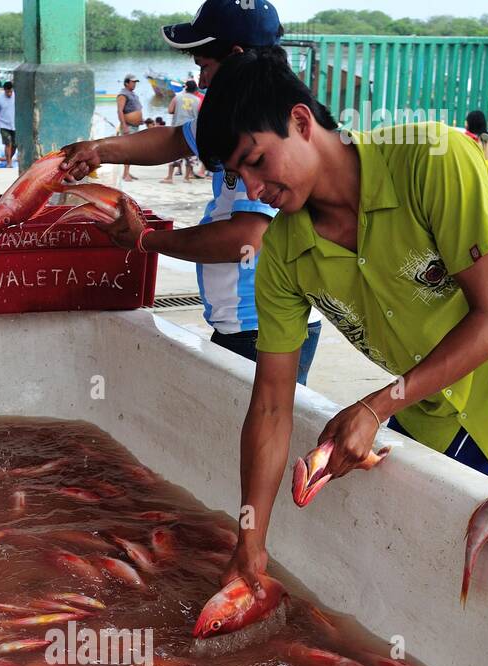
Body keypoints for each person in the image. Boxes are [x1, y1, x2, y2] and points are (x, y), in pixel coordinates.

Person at [194, 50, 488, 591]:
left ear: (301, 122)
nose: (253, 190)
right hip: (436, 431)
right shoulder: (281, 252)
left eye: (256, 161)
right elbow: (273, 404)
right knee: (442, 594)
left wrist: (376, 406)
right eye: (238, 177)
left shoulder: (431, 159)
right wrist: (251, 543)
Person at [61, 0, 321, 386]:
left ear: (235, 56)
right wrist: (98, 149)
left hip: (263, 323)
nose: (201, 82)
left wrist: (146, 240)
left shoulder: (259, 125)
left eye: (205, 67)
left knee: (256, 434)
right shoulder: (237, 112)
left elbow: (246, 237)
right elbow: (172, 140)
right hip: (248, 322)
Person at [164, 79, 201, 182]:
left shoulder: (178, 97)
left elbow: (170, 110)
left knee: (174, 152)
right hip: (191, 129)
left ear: (186, 87)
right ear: (195, 89)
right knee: (190, 152)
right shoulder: (198, 100)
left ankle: (170, 177)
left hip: (178, 128)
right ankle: (187, 177)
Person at [117, 75, 143, 182]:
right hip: (128, 126)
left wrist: (141, 119)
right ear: (127, 83)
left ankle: (127, 172)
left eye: (136, 82)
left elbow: (136, 109)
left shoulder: (134, 95)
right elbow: (120, 110)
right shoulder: (123, 94)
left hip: (135, 126)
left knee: (132, 150)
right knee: (128, 150)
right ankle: (125, 174)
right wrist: (124, 125)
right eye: (133, 82)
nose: (134, 84)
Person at [0, 80, 16, 168]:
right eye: (7, 92)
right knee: (8, 143)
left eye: (10, 91)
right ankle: (9, 163)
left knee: (14, 145)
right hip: (4, 125)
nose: (9, 93)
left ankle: (8, 159)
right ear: (4, 90)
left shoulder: (16, 96)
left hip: (15, 125)